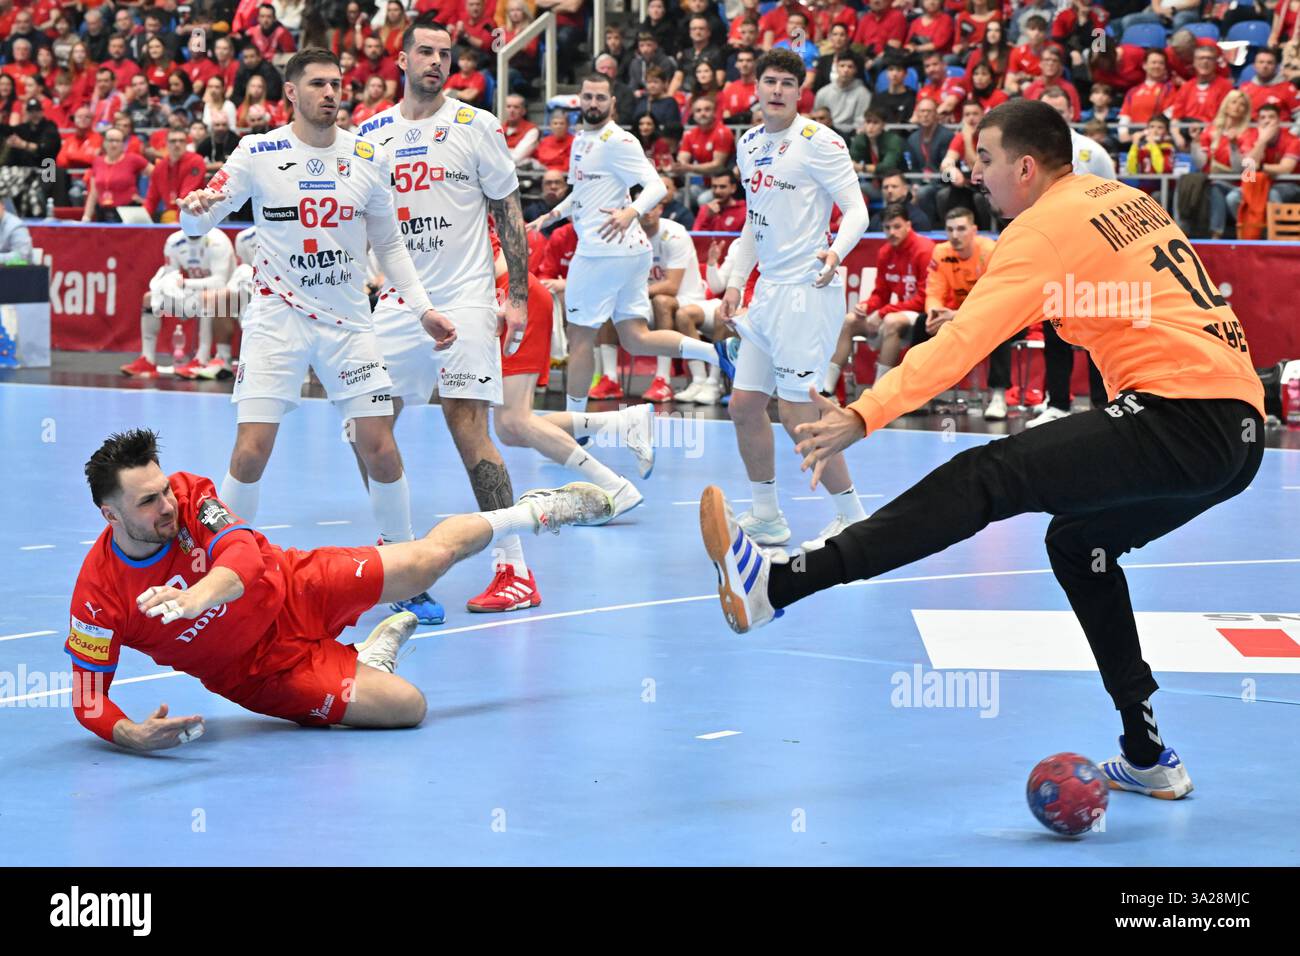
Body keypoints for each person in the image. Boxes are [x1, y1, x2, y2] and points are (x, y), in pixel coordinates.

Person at [703, 99, 1266, 802]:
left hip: (1181, 416)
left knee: (986, 474)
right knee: (1078, 546)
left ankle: (777, 586)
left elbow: (964, 343)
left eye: (987, 161)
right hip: (1239, 436)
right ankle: (1147, 751)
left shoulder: (1043, 229)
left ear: (1026, 168)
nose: (977, 177)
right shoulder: (1119, 199)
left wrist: (863, 411)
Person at [66, 428, 613, 750]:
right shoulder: (97, 595)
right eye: (146, 502)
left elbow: (242, 557)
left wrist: (197, 596)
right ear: (109, 513)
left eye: (163, 491)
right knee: (407, 708)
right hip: (260, 673)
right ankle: (372, 658)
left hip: (295, 585)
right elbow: (88, 697)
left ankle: (539, 510)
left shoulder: (189, 496)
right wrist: (129, 735)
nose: (165, 507)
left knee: (428, 561)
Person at [178, 48, 459, 627]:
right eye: (319, 85)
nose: (332, 93)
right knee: (251, 449)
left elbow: (390, 244)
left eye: (338, 83)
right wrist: (193, 211)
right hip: (276, 321)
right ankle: (229, 575)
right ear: (291, 93)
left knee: (378, 444)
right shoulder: (257, 152)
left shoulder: (364, 155)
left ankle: (400, 568)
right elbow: (202, 218)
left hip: (349, 325)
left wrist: (424, 308)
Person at [357, 17, 563, 614]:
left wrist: (517, 295)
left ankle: (515, 571)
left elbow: (507, 210)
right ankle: (400, 562)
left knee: (467, 425)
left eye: (445, 54)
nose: (436, 62)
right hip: (399, 303)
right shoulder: (371, 135)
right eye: (425, 51)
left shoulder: (477, 125)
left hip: (469, 298)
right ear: (401, 59)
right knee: (366, 429)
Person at [719, 48, 871, 553]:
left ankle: (852, 517)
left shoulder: (820, 142)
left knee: (796, 413)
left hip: (808, 289)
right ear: (756, 87)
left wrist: (835, 251)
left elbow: (856, 211)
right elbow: (751, 220)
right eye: (769, 81)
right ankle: (767, 518)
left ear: (800, 91)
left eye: (787, 82)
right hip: (766, 294)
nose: (778, 90)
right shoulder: (748, 144)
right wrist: (737, 281)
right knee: (743, 406)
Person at [526, 72, 730, 422]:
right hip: (628, 254)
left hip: (605, 252)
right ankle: (718, 353)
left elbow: (656, 187)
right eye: (588, 97)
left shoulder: (619, 141)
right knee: (635, 338)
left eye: (600, 98)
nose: (593, 103)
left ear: (612, 103)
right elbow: (583, 193)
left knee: (579, 338)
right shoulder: (581, 140)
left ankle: (575, 424)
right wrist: (554, 214)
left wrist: (630, 212)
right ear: (580, 100)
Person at [1026, 83, 1114, 428]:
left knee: (1097, 330)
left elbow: (1114, 195)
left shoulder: (1092, 152)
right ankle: (1058, 403)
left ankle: (1102, 404)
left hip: (1094, 253)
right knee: (1055, 329)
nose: (1053, 114)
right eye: (1046, 108)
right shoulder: (1028, 155)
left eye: (1058, 108)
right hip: (1054, 252)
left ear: (1070, 112)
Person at [824, 203, 933, 401]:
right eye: (887, 228)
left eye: (897, 226)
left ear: (908, 225)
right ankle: (826, 388)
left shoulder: (924, 250)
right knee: (850, 320)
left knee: (891, 321)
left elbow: (923, 300)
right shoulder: (885, 252)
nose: (892, 232)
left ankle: (880, 392)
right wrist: (867, 306)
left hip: (921, 316)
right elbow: (880, 293)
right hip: (897, 311)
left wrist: (882, 313)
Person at [641, 177, 722, 404]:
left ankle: (662, 380)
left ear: (660, 209)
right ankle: (608, 377)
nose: (646, 213)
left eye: (652, 208)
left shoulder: (674, 233)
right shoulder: (629, 235)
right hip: (646, 299)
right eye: (642, 208)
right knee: (609, 304)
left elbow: (671, 287)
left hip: (686, 299)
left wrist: (634, 293)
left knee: (663, 302)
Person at [120, 228, 235, 379]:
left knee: (208, 297)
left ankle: (201, 358)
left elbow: (219, 282)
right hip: (195, 291)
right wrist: (170, 289)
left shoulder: (217, 240)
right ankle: (147, 359)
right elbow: (171, 278)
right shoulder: (174, 242)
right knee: (150, 298)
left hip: (228, 297)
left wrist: (183, 283)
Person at [82, 127, 150, 222]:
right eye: (110, 140)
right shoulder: (97, 161)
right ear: (104, 143)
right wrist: (86, 216)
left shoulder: (133, 159)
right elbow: (93, 193)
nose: (114, 144)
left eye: (118, 141)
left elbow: (158, 174)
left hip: (128, 212)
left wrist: (145, 200)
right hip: (103, 213)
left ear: (123, 144)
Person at [143, 124, 207, 222]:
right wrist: (140, 221)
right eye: (173, 141)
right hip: (171, 216)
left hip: (196, 215)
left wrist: (178, 221)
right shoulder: (160, 167)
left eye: (181, 141)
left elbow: (186, 195)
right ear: (166, 143)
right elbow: (151, 199)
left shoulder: (196, 161)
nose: (177, 144)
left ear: (186, 143)